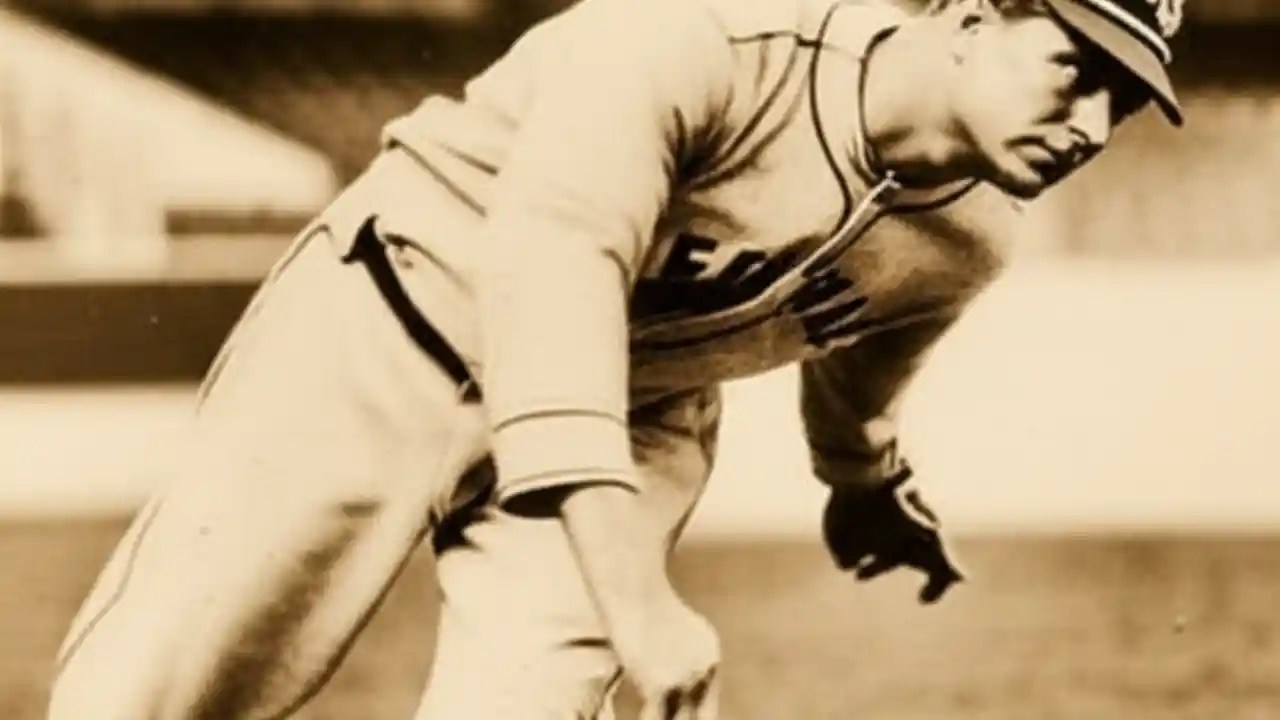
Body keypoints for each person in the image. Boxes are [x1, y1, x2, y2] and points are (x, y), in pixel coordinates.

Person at [46, 0, 1185, 717]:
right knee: (159, 695)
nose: (1090, 123)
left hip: (641, 407)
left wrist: (861, 482)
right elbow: (555, 276)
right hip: (392, 325)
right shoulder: (695, 41)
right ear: (970, 16)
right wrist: (636, 598)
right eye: (1073, 67)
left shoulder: (972, 235)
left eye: (1122, 101)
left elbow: (859, 357)